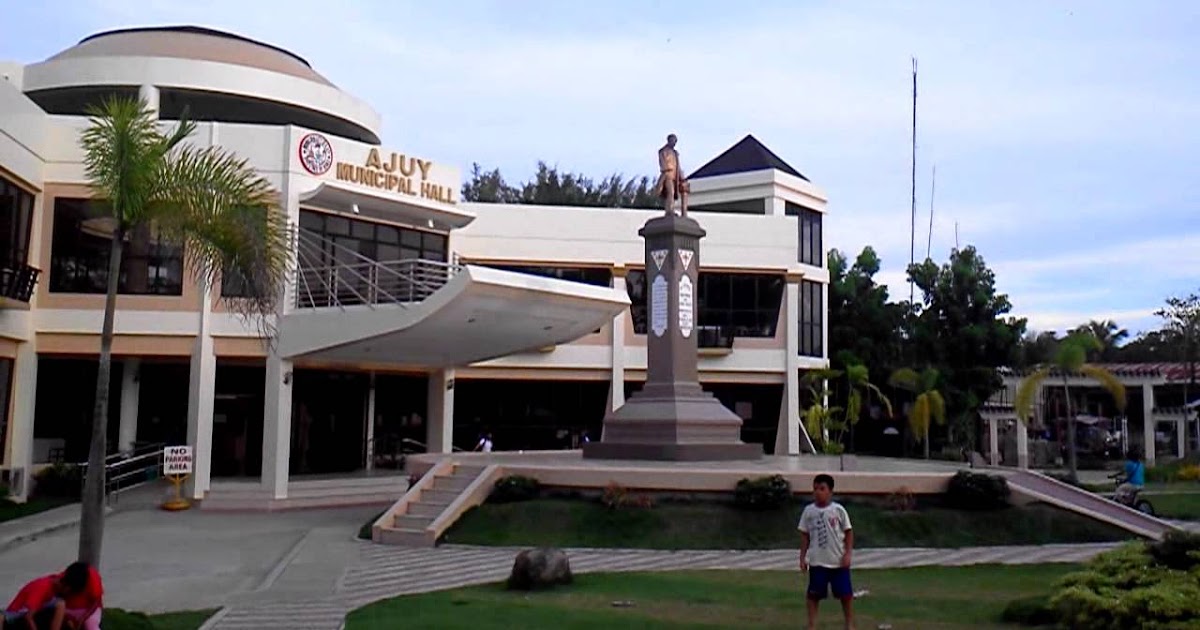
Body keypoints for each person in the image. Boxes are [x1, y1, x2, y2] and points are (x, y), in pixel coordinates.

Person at [799, 474, 855, 630]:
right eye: (815, 489)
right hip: (818, 561)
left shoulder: (838, 510)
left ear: (830, 491)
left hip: (838, 561)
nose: (818, 492)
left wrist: (848, 554)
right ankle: (811, 625)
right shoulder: (808, 511)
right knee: (813, 595)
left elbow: (848, 532)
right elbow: (804, 535)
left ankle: (849, 624)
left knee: (845, 595)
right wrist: (802, 557)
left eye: (822, 489)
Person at [3, 562, 100, 630]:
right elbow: (28, 617)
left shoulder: (57, 590)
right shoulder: (42, 587)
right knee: (60, 605)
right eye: (70, 593)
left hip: (36, 616)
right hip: (16, 619)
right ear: (67, 588)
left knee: (60, 605)